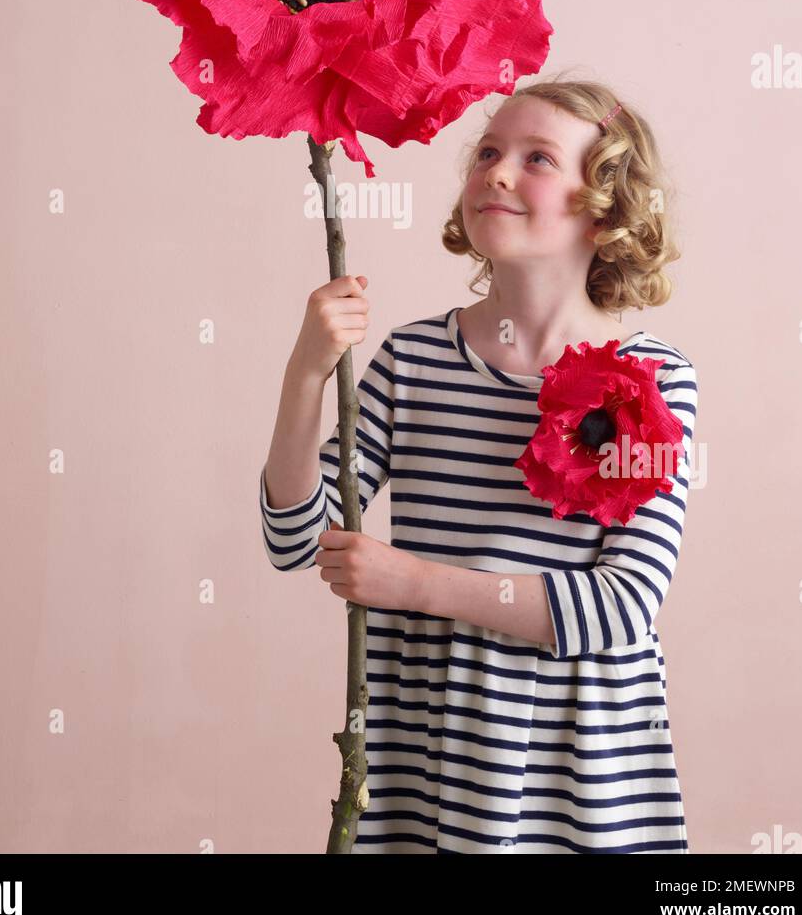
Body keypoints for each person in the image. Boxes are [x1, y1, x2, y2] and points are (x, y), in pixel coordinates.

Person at [259, 76, 699, 854]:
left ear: (605, 210)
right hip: (429, 755)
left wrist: (413, 584)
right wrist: (305, 375)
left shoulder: (655, 382)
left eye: (537, 158)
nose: (495, 171)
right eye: (488, 151)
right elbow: (298, 539)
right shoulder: (414, 360)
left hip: (582, 776)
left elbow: (623, 603)